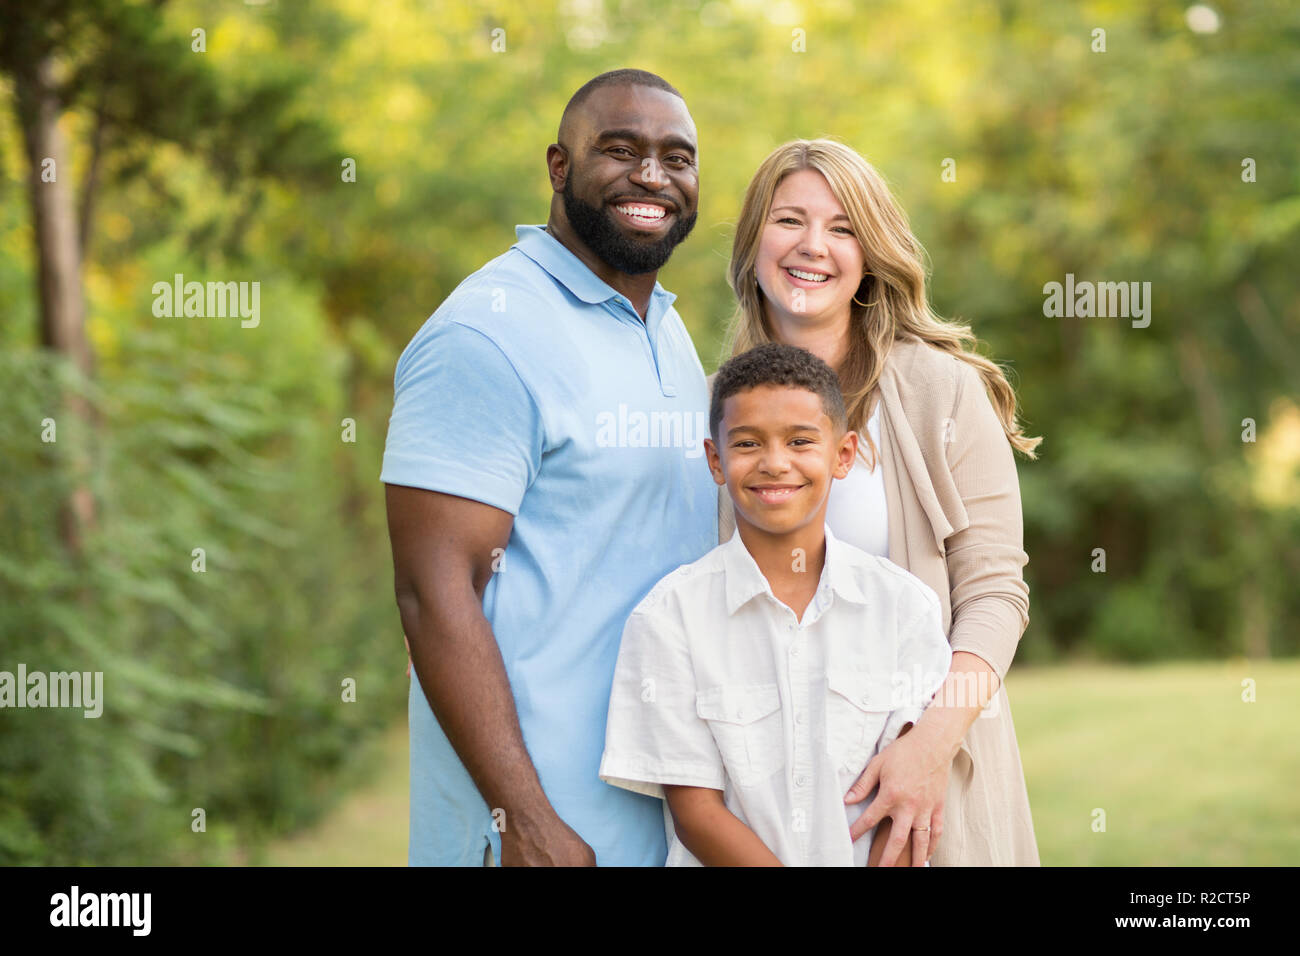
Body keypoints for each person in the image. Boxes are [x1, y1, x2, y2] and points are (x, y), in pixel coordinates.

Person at [381, 69, 717, 866]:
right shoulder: (485, 333)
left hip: (657, 822)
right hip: (535, 837)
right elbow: (433, 593)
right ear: (559, 168)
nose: (651, 176)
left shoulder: (666, 330)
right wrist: (523, 819)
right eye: (620, 149)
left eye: (678, 157)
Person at [713, 138, 1043, 866]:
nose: (812, 247)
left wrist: (930, 747)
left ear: (869, 255)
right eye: (788, 220)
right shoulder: (724, 403)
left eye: (841, 227)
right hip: (771, 795)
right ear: (753, 243)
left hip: (917, 782)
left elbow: (994, 592)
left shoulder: (939, 390)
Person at [600, 343, 953, 866]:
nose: (774, 463)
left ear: (843, 455)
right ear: (716, 460)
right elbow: (697, 812)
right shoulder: (669, 617)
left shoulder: (904, 609)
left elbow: (900, 805)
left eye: (800, 441)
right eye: (747, 443)